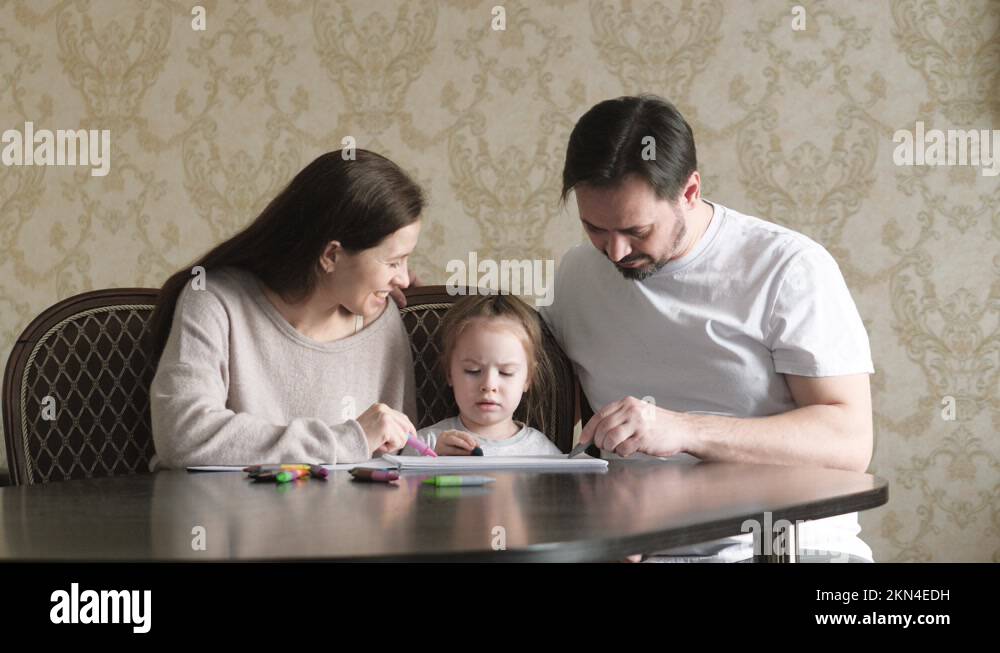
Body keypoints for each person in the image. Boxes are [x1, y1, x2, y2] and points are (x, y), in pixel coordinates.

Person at [540, 95, 876, 562]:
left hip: (784, 546)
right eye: (594, 228)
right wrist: (400, 283)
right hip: (638, 549)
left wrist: (684, 430)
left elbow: (850, 442)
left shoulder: (787, 268)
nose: (614, 252)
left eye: (636, 231)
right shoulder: (578, 274)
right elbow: (515, 366)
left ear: (690, 191)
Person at [148, 149, 423, 469]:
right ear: (332, 256)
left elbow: (397, 456)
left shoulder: (382, 321)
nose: (404, 278)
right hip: (228, 515)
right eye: (393, 262)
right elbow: (182, 435)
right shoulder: (214, 302)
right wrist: (347, 440)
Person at [403, 294, 561, 456]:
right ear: (449, 372)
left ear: (528, 378)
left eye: (506, 372)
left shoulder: (543, 452)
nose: (489, 385)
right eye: (473, 370)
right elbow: (397, 481)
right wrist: (432, 465)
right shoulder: (424, 444)